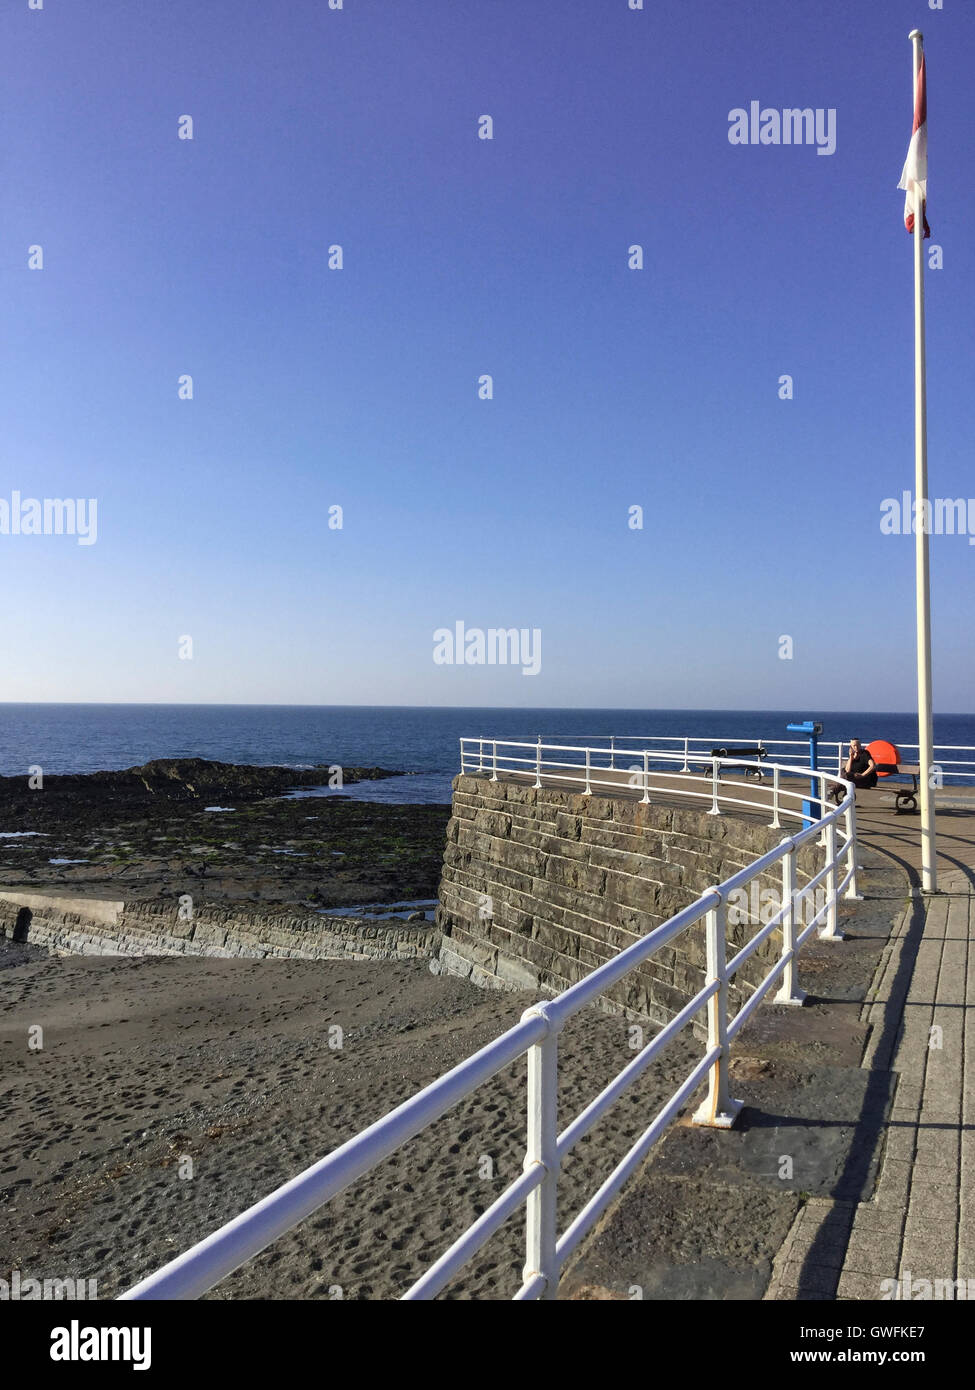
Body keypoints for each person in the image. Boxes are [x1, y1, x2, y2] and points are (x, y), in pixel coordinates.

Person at [830, 738, 878, 804]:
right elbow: (847, 770)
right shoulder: (852, 755)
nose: (856, 747)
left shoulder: (864, 754)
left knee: (846, 776)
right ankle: (836, 791)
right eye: (854, 746)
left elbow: (872, 766)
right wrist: (851, 757)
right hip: (855, 779)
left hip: (866, 780)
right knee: (844, 772)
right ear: (851, 747)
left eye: (857, 745)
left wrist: (862, 775)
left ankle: (834, 790)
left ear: (860, 745)